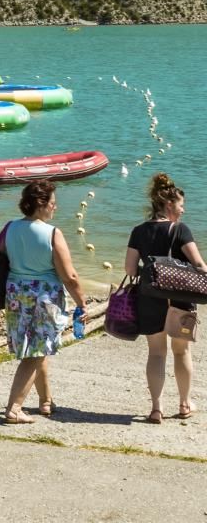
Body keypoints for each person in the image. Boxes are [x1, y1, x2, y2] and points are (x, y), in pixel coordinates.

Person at [2, 179, 87, 422]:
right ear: (41, 204)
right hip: (43, 296)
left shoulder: (10, 227)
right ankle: (14, 409)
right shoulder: (52, 233)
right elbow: (69, 276)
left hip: (15, 293)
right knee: (35, 353)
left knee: (37, 349)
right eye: (53, 203)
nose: (55, 208)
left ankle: (45, 401)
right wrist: (81, 303)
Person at [125, 173, 206, 423]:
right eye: (181, 205)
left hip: (149, 299)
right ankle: (184, 404)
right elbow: (200, 265)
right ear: (169, 204)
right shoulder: (180, 230)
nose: (183, 210)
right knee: (181, 353)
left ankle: (156, 409)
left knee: (156, 353)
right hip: (180, 299)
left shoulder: (139, 231)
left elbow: (129, 269)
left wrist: (151, 271)